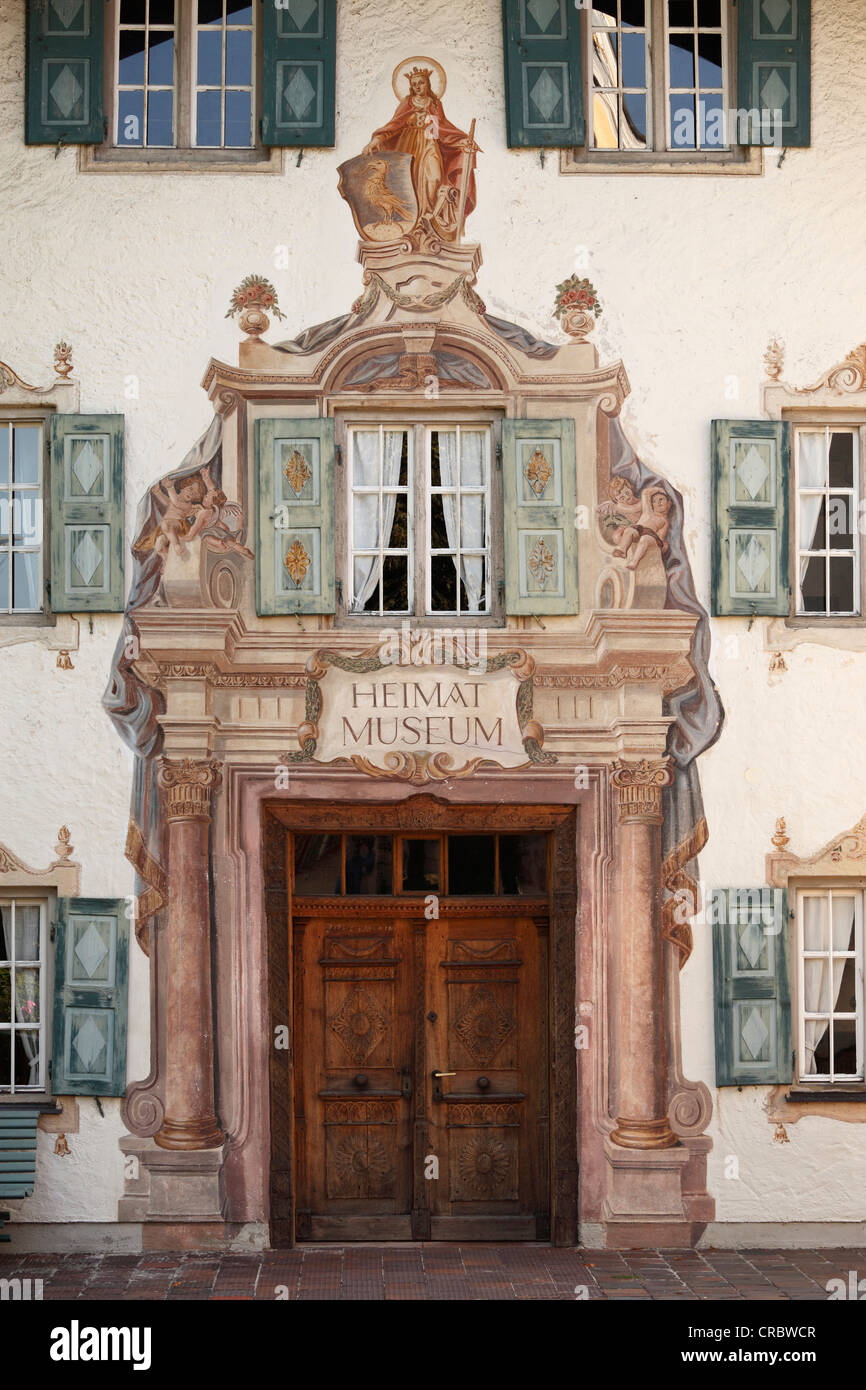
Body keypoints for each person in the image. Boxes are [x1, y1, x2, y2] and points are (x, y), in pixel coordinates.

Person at [363, 67, 479, 242]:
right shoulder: (407, 103)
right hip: (407, 148)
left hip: (430, 144)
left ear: (428, 83)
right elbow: (393, 126)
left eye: (421, 82)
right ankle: (412, 224)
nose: (418, 86)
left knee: (434, 178)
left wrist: (461, 142)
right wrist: (376, 140)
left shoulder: (435, 104)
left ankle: (429, 219)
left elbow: (443, 130)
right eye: (414, 84)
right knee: (408, 183)